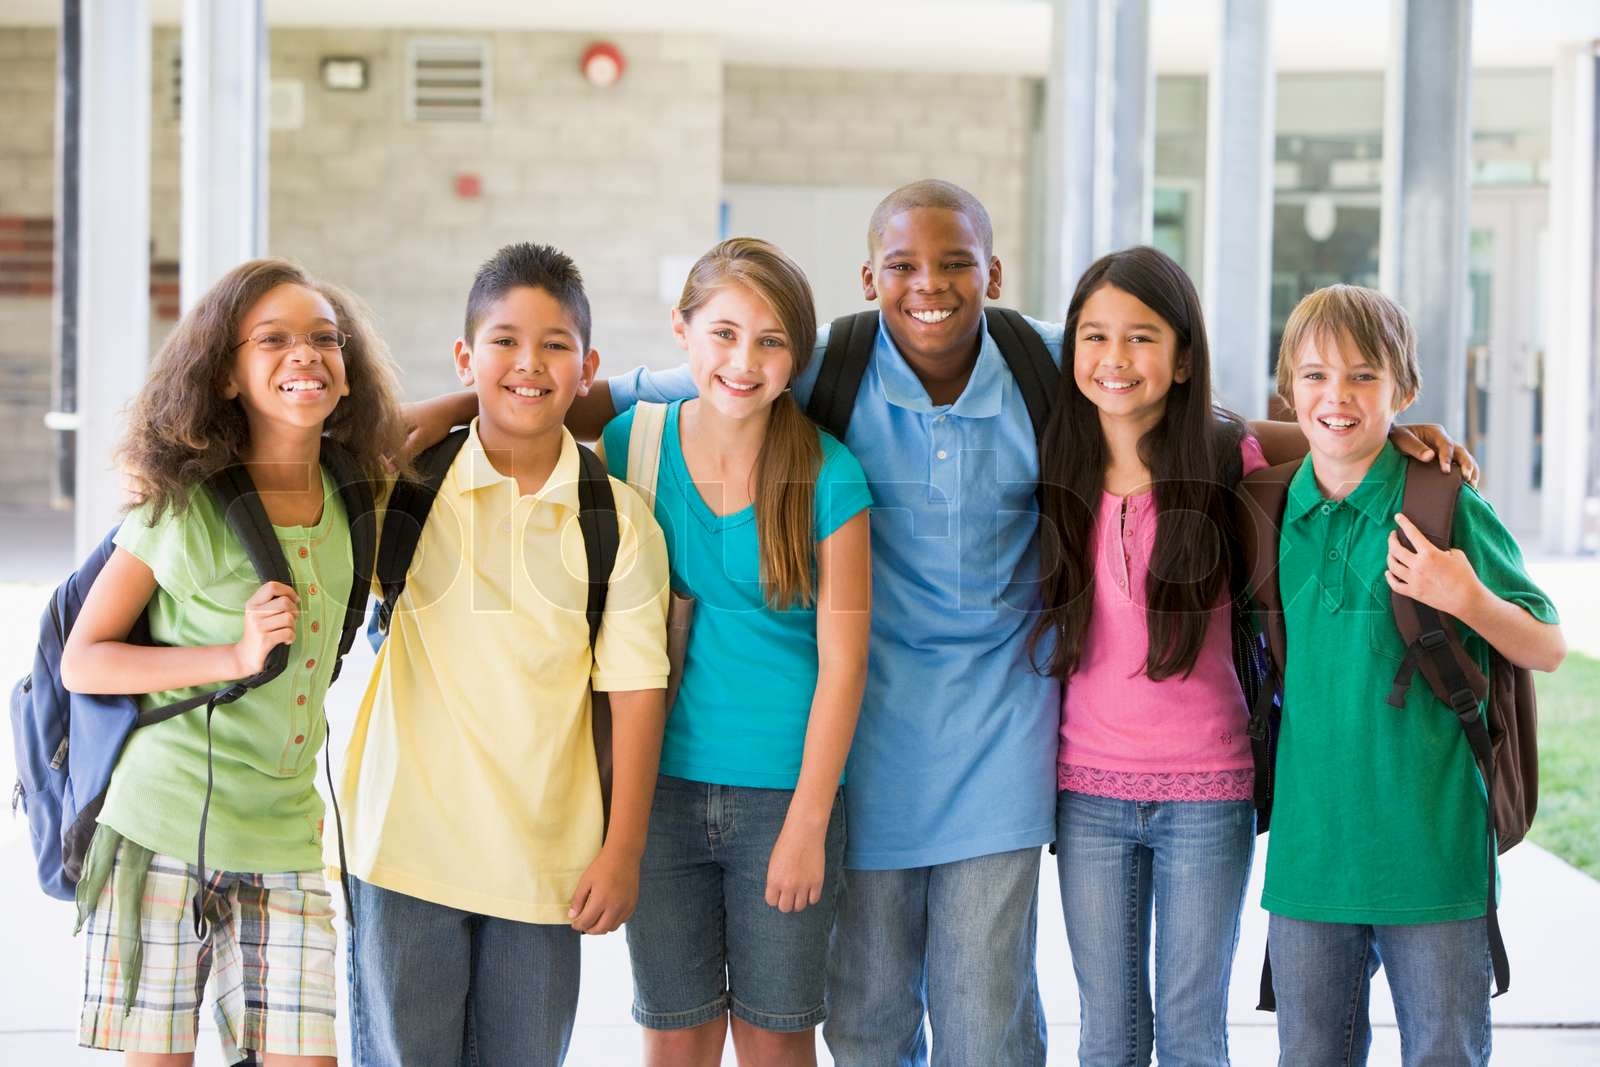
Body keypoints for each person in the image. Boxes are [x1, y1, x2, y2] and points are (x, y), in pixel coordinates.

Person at [402, 180, 1475, 1067]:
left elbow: (1188, 410)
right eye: (903, 265)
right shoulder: (817, 361)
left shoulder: (1046, 358)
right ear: (869, 277)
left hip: (1002, 743)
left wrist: (1381, 433)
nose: (930, 285)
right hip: (865, 752)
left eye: (956, 263)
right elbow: (599, 392)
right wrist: (440, 409)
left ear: (992, 274)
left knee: (984, 1018)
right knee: (867, 1017)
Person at [61, 258, 407, 1065]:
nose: (305, 354)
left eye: (325, 339)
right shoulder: (183, 507)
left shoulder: (359, 493)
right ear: (225, 375)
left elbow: (420, 429)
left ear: (347, 370)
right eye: (273, 340)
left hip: (285, 835)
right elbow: (85, 659)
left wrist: (484, 394)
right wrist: (234, 653)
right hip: (161, 827)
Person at [338, 243, 671, 1065]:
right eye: (504, 342)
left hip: (543, 865)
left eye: (555, 344)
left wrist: (623, 848)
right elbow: (306, 453)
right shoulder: (409, 485)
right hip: (404, 851)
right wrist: (445, 410)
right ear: (465, 357)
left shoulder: (618, 520)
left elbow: (637, 694)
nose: (529, 363)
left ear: (587, 367)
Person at [1260, 284, 1565, 1067]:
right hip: (1310, 856)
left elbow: (1547, 645)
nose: (1337, 395)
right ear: (1288, 385)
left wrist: (1467, 598)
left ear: (1404, 389)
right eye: (1316, 375)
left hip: (1432, 853)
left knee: (1443, 1054)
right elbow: (1200, 424)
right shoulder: (1267, 503)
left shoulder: (1443, 502)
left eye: (1364, 376)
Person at [601, 237, 872, 1066]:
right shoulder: (631, 447)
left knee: (774, 1036)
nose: (743, 361)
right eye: (723, 333)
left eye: (770, 341)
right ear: (681, 330)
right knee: (675, 1032)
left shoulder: (829, 474)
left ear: (798, 357)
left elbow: (844, 663)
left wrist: (808, 822)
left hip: (783, 797)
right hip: (658, 791)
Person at [1032, 246, 1262, 1066]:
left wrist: (1409, 434)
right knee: (1109, 1033)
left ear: (1184, 357)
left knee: (1195, 1033)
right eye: (1095, 336)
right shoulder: (1054, 460)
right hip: (1087, 791)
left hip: (1209, 789)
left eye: (1142, 337)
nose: (1115, 357)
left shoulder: (1228, 460)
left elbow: (1334, 441)